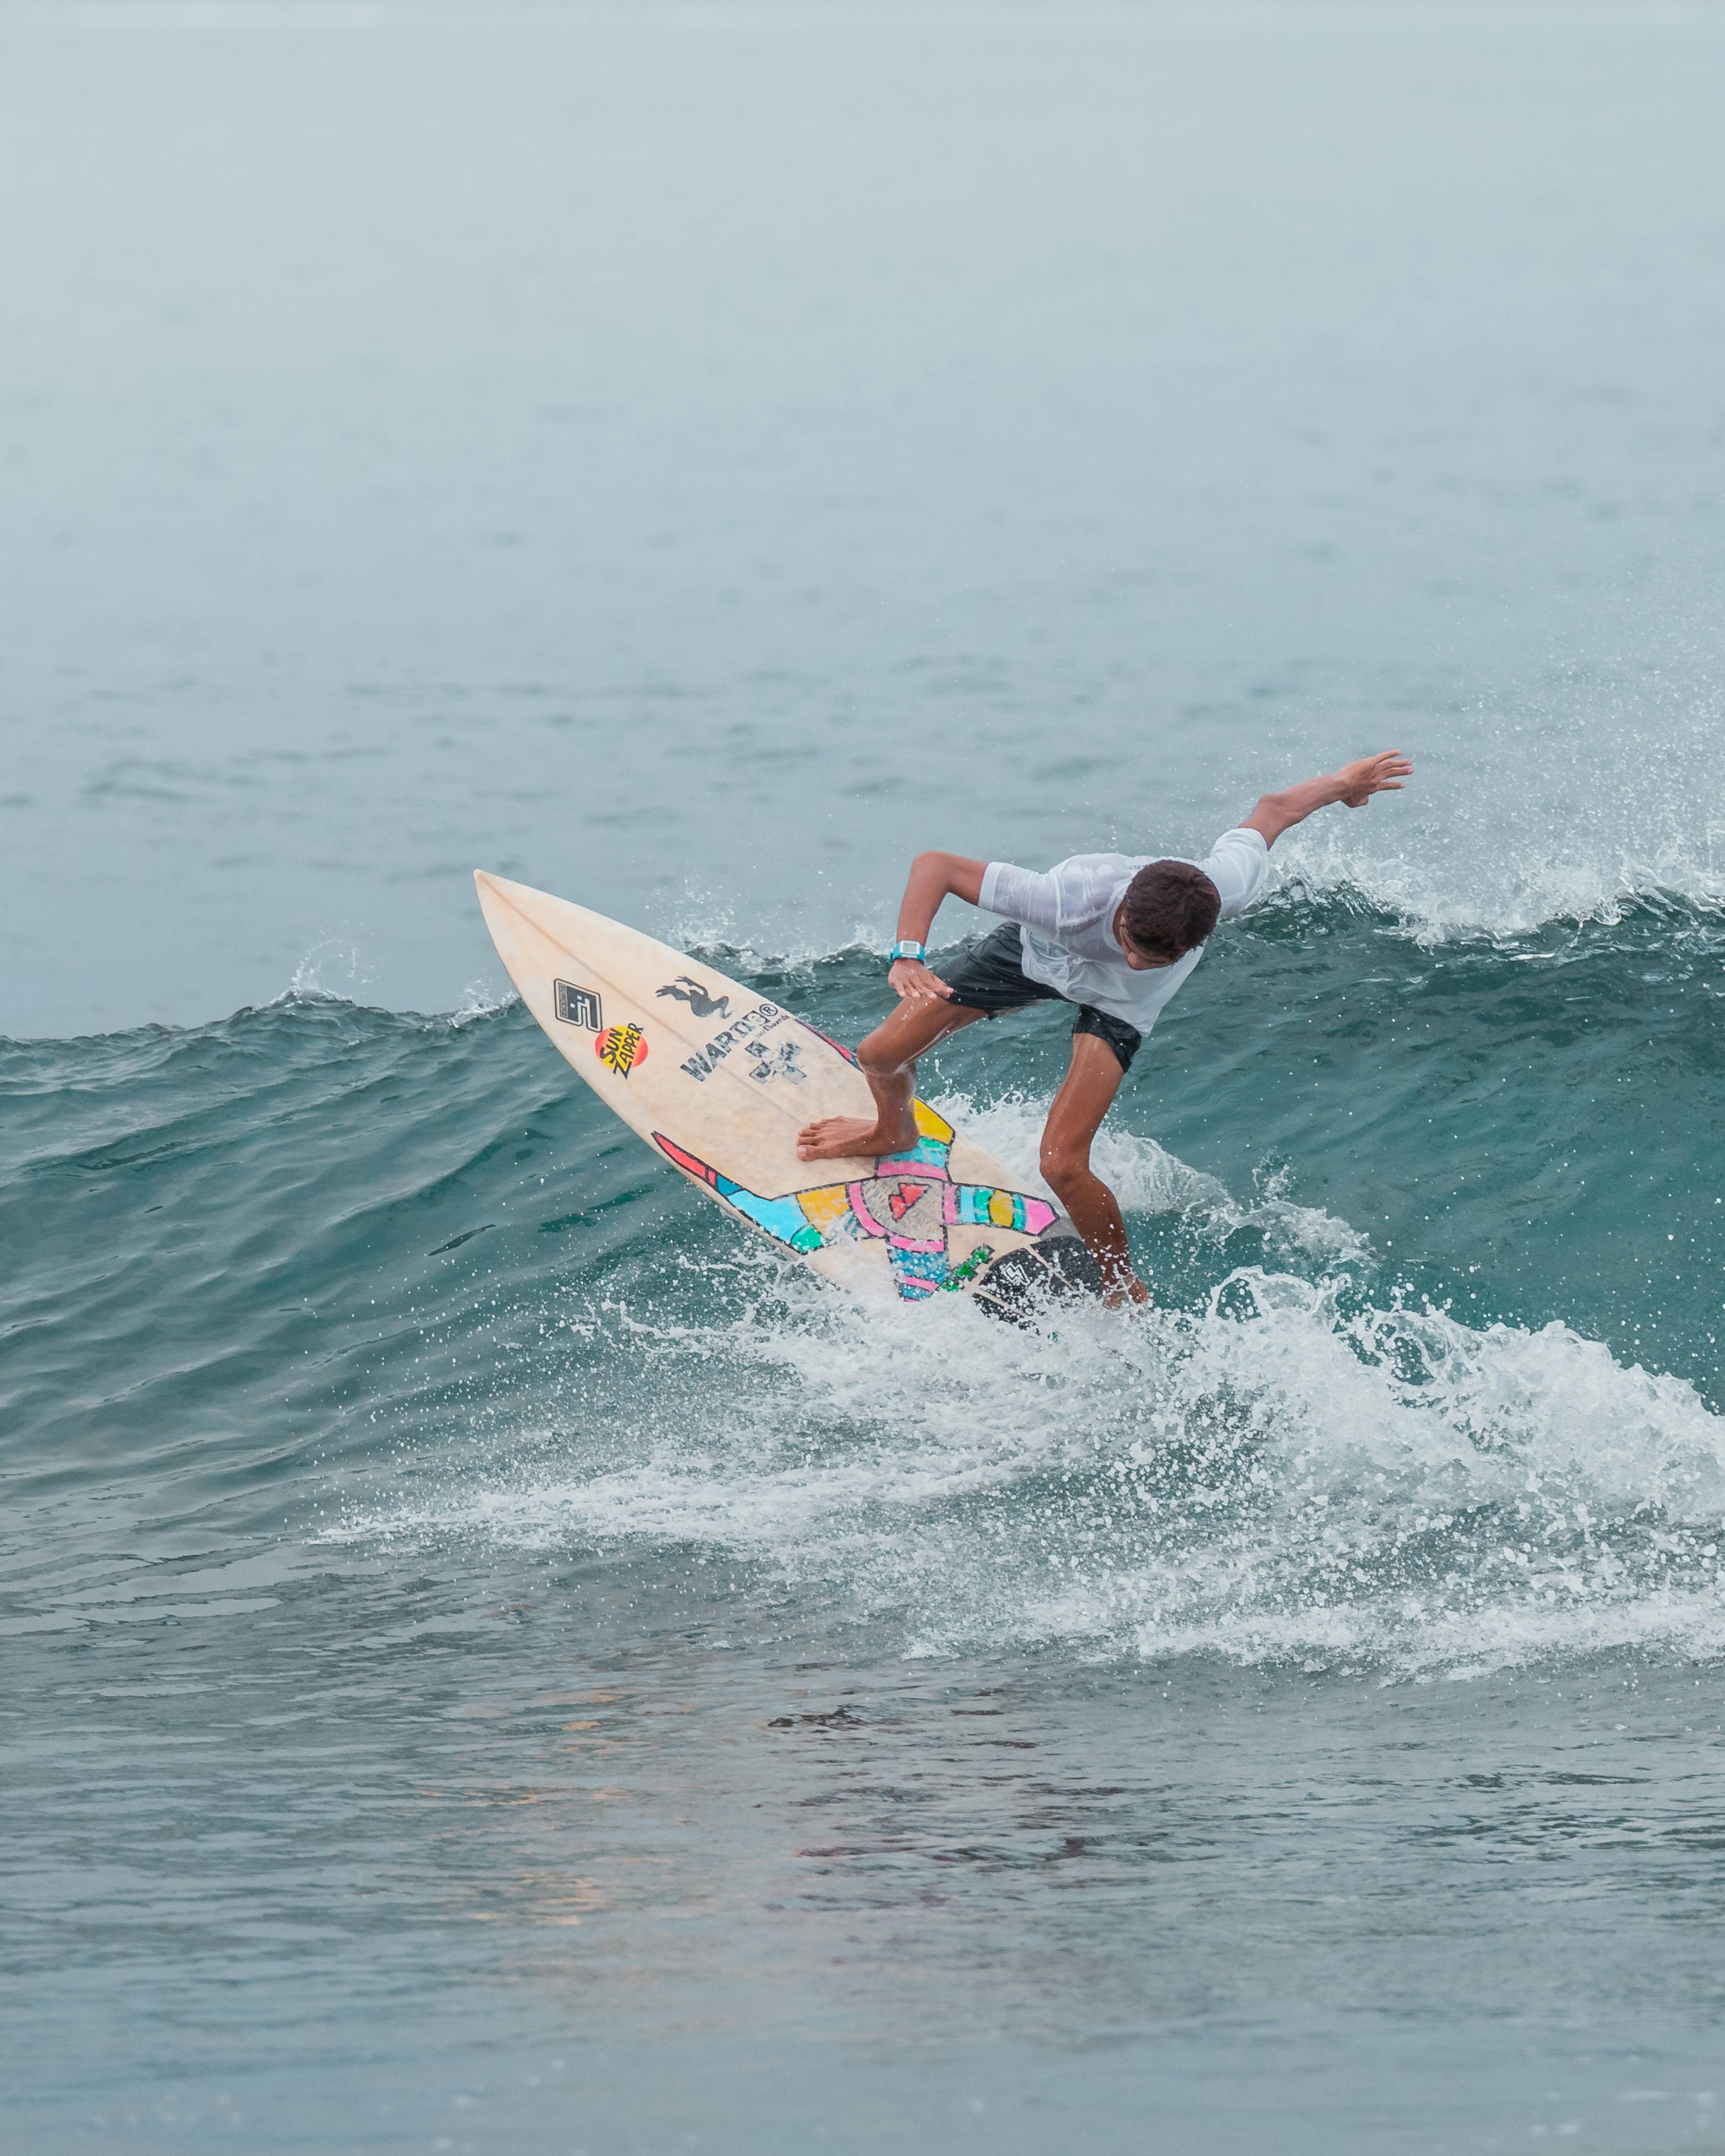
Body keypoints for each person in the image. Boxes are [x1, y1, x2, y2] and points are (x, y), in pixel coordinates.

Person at [795, 750, 1412, 1306]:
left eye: (1160, 959)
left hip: (1119, 1011)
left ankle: (1120, 1281)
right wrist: (908, 955)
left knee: (1062, 1163)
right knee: (878, 1055)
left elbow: (1273, 811)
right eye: (1133, 947)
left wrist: (1342, 786)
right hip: (1032, 960)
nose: (1140, 962)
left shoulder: (1220, 890)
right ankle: (892, 1130)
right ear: (1120, 913)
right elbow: (937, 866)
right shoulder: (1065, 899)